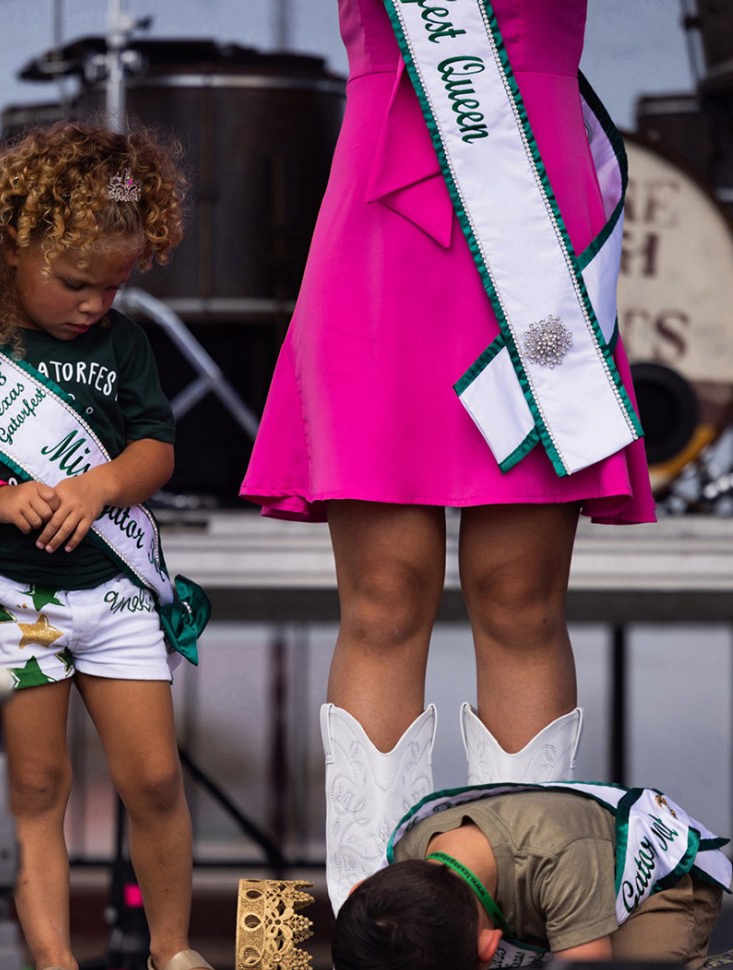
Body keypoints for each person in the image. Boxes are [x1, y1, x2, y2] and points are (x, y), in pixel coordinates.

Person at [238, 0, 655, 912]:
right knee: (383, 601)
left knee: (520, 602)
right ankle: (375, 928)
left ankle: (509, 924)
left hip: (533, 240)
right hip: (382, 236)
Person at [0, 123, 232, 970]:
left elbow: (158, 450)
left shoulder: (120, 343)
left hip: (118, 596)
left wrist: (99, 484)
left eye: (115, 285)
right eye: (75, 282)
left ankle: (172, 955)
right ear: (13, 246)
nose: (94, 303)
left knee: (155, 781)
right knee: (39, 786)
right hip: (14, 600)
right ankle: (54, 964)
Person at [298, 781, 730, 970]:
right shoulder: (413, 860)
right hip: (559, 906)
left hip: (663, 888)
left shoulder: (560, 858)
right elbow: (393, 943)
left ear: (490, 951)